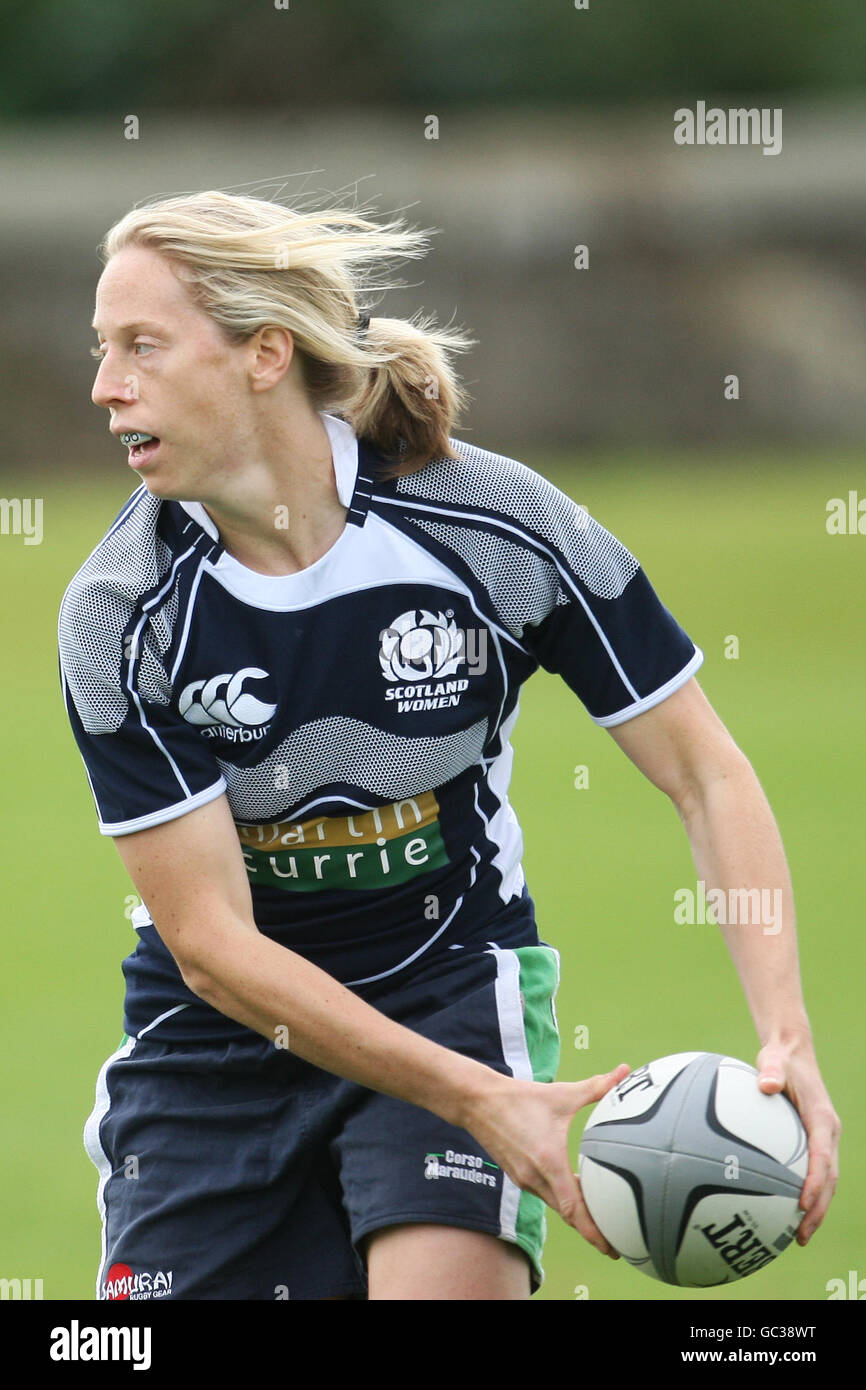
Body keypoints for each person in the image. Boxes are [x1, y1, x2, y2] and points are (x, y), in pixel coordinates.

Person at [59, 188, 839, 1302]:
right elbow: (212, 947)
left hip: (449, 988)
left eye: (141, 345)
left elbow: (702, 772)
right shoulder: (120, 613)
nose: (104, 386)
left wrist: (785, 1034)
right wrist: (477, 1101)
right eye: (102, 349)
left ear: (263, 353)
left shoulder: (493, 525)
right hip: (216, 1048)